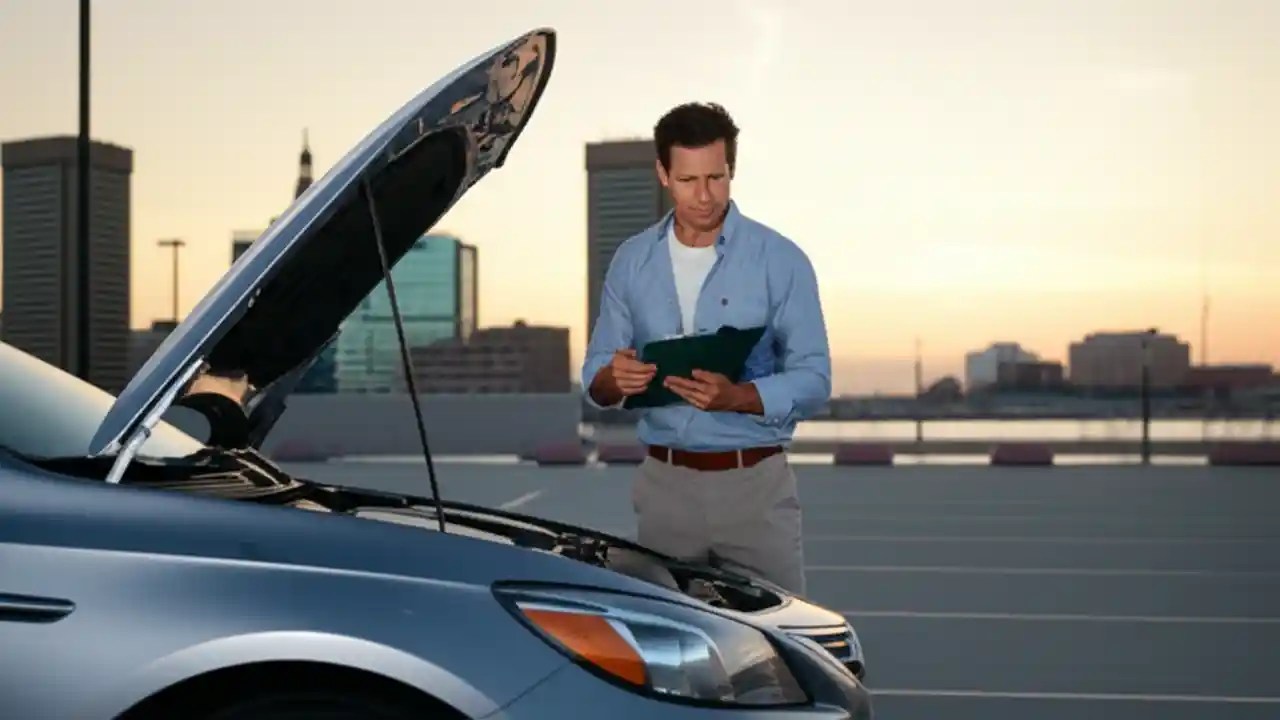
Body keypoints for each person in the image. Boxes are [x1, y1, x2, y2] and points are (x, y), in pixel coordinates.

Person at [581, 102, 831, 595]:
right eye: (688, 180)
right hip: (664, 488)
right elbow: (595, 373)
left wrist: (738, 396)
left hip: (755, 486)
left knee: (783, 641)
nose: (703, 195)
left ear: (731, 170)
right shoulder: (631, 261)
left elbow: (815, 378)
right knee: (668, 648)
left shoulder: (780, 259)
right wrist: (615, 378)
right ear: (663, 174)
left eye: (716, 178)